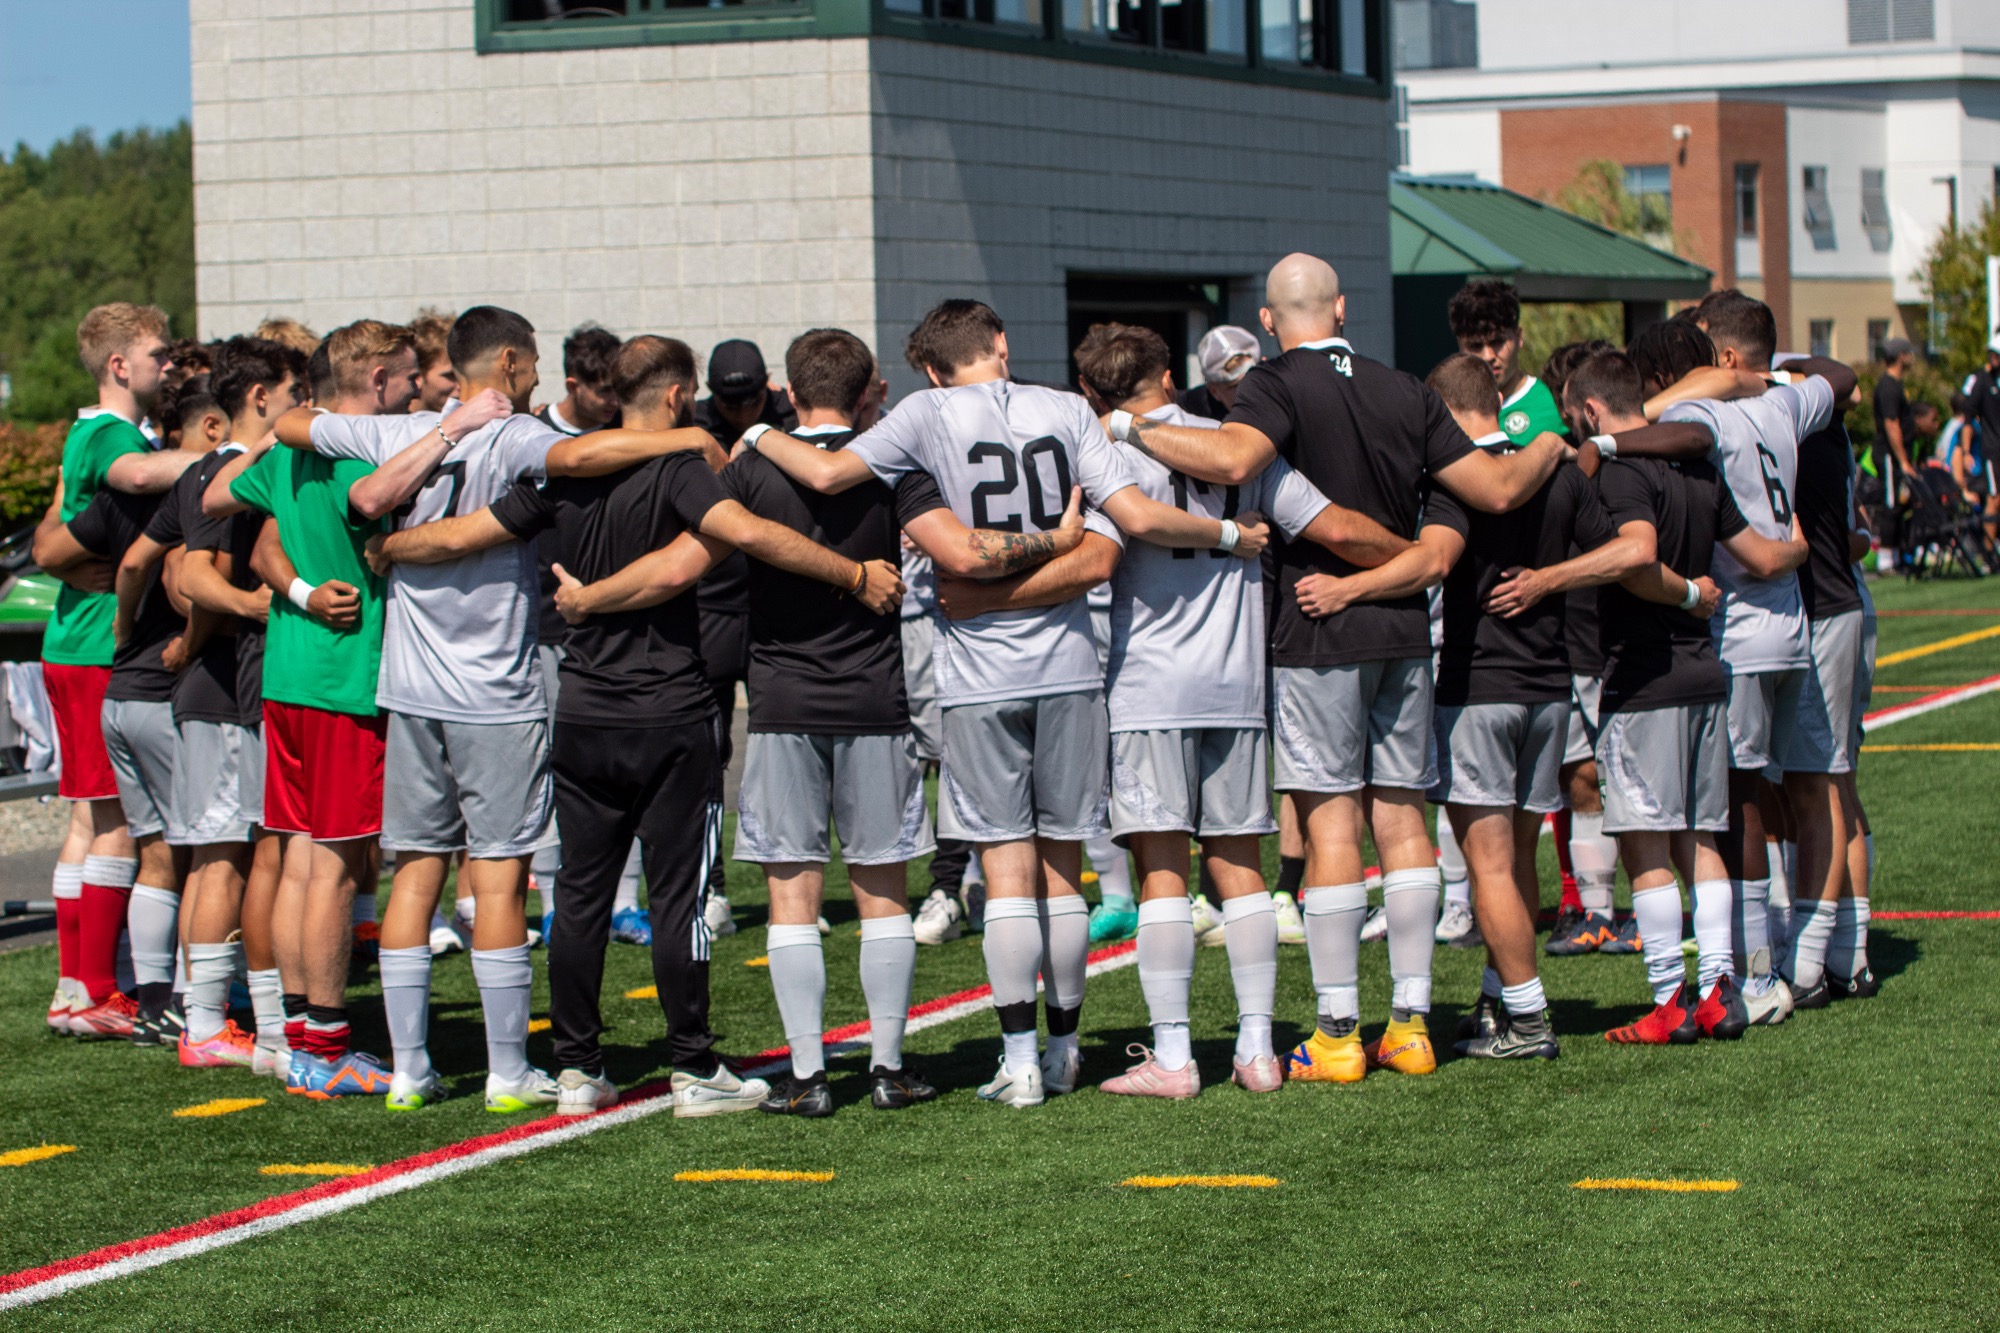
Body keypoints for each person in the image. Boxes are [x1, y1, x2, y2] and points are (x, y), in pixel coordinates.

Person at [742, 298, 1286, 1109]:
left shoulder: (926, 411)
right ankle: (1066, 1050)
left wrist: (754, 435)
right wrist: (1231, 538)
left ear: (929, 368)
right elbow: (1128, 522)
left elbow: (825, 473)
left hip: (979, 676)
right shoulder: (1068, 409)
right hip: (1070, 665)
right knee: (1064, 870)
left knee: (1006, 874)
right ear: (1002, 343)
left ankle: (1022, 1060)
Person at [373, 334, 896, 1118]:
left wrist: (385, 545)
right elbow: (730, 543)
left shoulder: (567, 464)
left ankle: (579, 1069)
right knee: (678, 893)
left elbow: (464, 533)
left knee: (580, 893)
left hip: (582, 710)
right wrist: (853, 574)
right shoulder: (680, 465)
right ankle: (691, 1066)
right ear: (681, 397)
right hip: (672, 712)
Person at [1094, 255, 1569, 1084]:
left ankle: (1340, 1031)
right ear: (1343, 308)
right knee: (1404, 821)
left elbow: (1237, 459)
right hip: (1405, 630)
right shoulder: (1406, 388)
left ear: (1273, 323)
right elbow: (1492, 489)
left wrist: (1128, 429)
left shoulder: (1275, 382)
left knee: (1330, 825)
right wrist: (1558, 444)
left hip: (1319, 624)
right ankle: (1413, 1023)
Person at [279, 308, 723, 1113]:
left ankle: (410, 1067)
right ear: (512, 362)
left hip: (407, 686)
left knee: (414, 869)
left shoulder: (407, 428)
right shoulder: (512, 434)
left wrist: (433, 440)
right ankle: (508, 1067)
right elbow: (584, 451)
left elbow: (290, 422)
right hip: (493, 689)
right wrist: (681, 439)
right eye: (532, 371)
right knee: (501, 873)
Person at [1065, 323, 1361, 1097]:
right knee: (1243, 871)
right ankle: (1258, 1049)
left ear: (1095, 392)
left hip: (1149, 686)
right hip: (1237, 686)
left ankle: (1174, 1056)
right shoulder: (1242, 443)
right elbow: (1326, 522)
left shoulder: (1109, 451)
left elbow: (1102, 549)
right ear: (1168, 372)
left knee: (1161, 872)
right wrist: (1411, 555)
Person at [713, 329, 949, 1116]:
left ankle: (810, 1076)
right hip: (875, 697)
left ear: (788, 386)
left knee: (792, 894)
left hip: (780, 699)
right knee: (883, 889)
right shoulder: (891, 461)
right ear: (867, 390)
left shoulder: (750, 467)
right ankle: (887, 1068)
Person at [1563, 346, 1804, 1046]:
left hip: (1645, 675)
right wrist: (1799, 548)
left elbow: (1637, 557)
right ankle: (1720, 990)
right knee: (1701, 837)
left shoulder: (1617, 469)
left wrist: (1678, 589)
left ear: (1590, 410)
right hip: (1706, 671)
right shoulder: (1698, 464)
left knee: (1645, 844)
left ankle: (1670, 997)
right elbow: (1759, 555)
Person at [1412, 354, 1649, 1058]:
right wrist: (1554, 579)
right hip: (1548, 689)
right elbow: (1630, 552)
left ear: (1446, 412)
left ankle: (1527, 1015)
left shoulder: (1453, 481)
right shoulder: (1553, 472)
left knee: (1487, 864)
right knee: (1515, 854)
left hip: (1479, 687)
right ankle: (1498, 992)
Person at [1639, 302, 1851, 1030]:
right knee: (1803, 785)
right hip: (1792, 624)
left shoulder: (1710, 413)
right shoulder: (1785, 404)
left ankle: (1759, 972)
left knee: (1741, 801)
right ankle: (1812, 954)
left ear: (1719, 362)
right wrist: (1775, 371)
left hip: (1741, 629)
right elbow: (1842, 373)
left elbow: (1650, 423)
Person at [36, 303, 197, 1038]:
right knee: (118, 824)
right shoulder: (107, 434)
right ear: (119, 366)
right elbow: (133, 475)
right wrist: (218, 457)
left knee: (89, 816)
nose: (167, 365)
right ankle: (98, 988)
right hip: (101, 644)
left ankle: (76, 987)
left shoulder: (88, 430)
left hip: (72, 641)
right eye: (157, 355)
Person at [531, 323, 648, 948]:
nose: (613, 401)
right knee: (558, 772)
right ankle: (556, 902)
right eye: (604, 390)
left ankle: (625, 902)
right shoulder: (536, 436)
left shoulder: (626, 437)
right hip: (548, 631)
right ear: (573, 383)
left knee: (622, 770)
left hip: (617, 629)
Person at [690, 338, 799, 940]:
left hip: (775, 601)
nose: (738, 409)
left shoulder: (788, 418)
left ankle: (788, 888)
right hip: (709, 605)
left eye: (749, 398)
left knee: (781, 751)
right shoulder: (691, 425)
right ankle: (711, 889)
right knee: (708, 757)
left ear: (767, 387)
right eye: (728, 399)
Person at [1448, 280, 1568, 446]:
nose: (1488, 356)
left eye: (1498, 342)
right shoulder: (1446, 413)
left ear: (1519, 337)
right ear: (1460, 345)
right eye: (1476, 346)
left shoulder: (1555, 403)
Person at [1870, 337, 1917, 571]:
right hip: (1890, 455)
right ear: (1900, 356)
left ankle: (1897, 556)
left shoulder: (1897, 384)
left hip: (1898, 456)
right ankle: (1885, 559)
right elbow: (1891, 424)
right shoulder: (1888, 386)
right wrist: (1903, 461)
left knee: (1900, 503)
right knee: (1890, 503)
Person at [1179, 324, 1261, 420]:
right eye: (1236, 385)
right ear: (1215, 392)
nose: (1248, 390)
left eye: (1253, 378)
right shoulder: (1195, 408)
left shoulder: (1280, 396)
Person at [409, 308, 458, 413]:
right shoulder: (391, 426)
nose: (462, 384)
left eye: (464, 373)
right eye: (451, 375)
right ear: (417, 377)